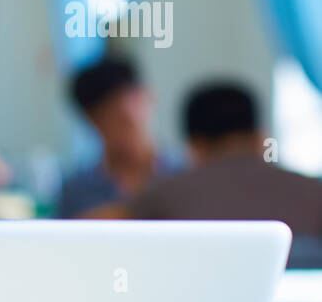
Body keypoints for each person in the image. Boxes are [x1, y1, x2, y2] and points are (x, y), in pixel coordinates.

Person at [85, 81, 322, 238]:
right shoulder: (315, 192)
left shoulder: (165, 195)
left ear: (194, 146)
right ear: (262, 138)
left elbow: (91, 230)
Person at [57, 56, 183, 218]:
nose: (115, 130)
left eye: (123, 119)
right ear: (90, 122)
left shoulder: (184, 174)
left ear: (147, 97)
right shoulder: (77, 191)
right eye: (103, 120)